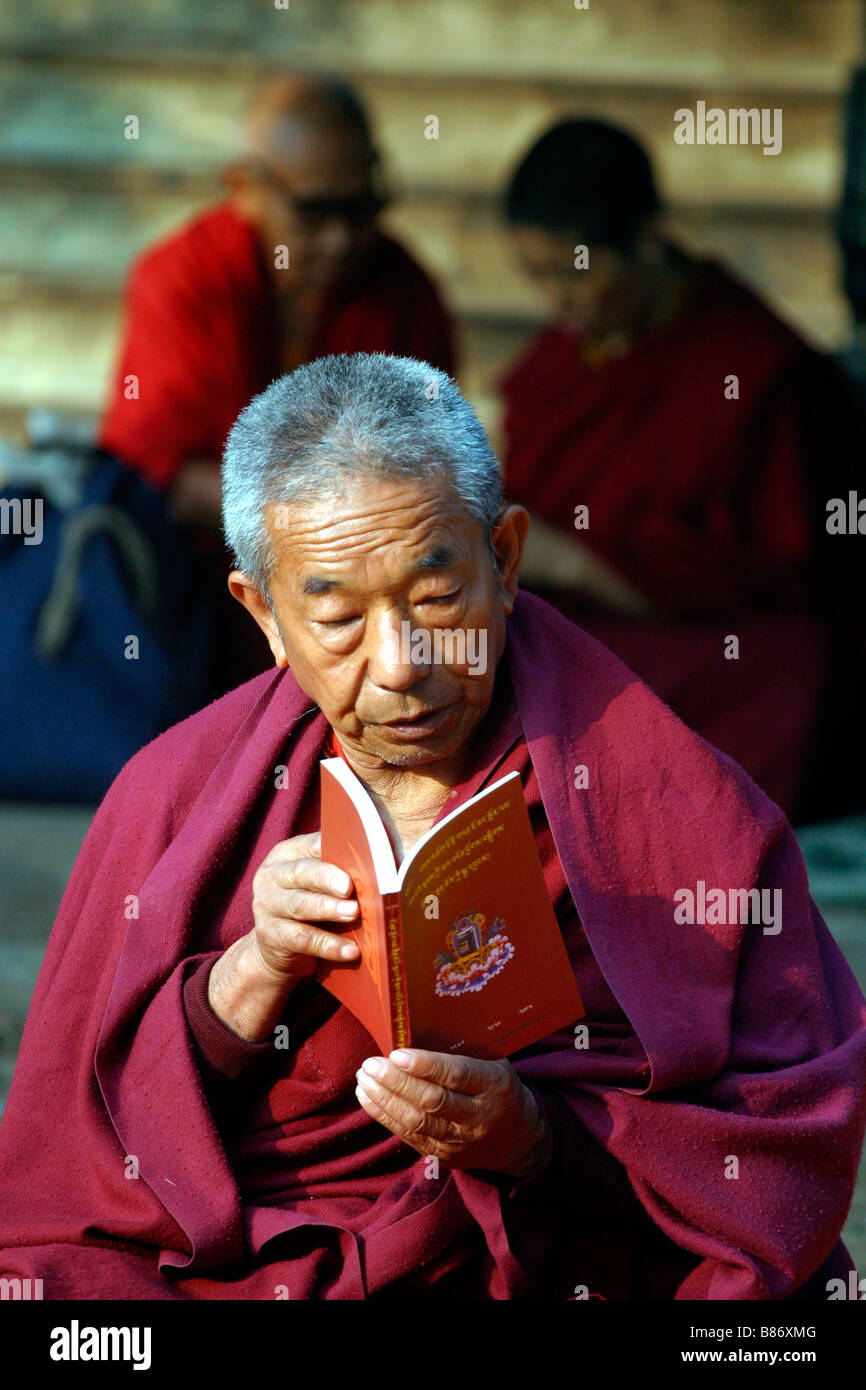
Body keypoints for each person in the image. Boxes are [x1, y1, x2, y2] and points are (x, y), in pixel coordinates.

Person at [1, 355, 863, 1301]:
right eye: (335, 617)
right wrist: (249, 977)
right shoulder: (173, 793)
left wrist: (539, 1138)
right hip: (259, 1259)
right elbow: (76, 1147)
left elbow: (785, 1142)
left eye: (438, 597)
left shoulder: (667, 795)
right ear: (265, 614)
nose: (402, 665)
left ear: (505, 561)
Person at [499, 118, 864, 820]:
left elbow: (782, 577)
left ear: (644, 239)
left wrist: (575, 562)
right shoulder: (577, 352)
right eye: (539, 278)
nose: (561, 305)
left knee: (788, 669)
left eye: (575, 274)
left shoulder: (760, 369)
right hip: (572, 622)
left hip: (695, 637)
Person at [98, 75, 456, 694]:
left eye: (361, 210)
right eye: (316, 213)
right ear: (245, 187)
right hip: (198, 597)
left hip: (361, 604)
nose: (343, 240)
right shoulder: (185, 278)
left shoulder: (404, 291)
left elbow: (432, 460)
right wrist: (315, 533)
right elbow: (161, 472)